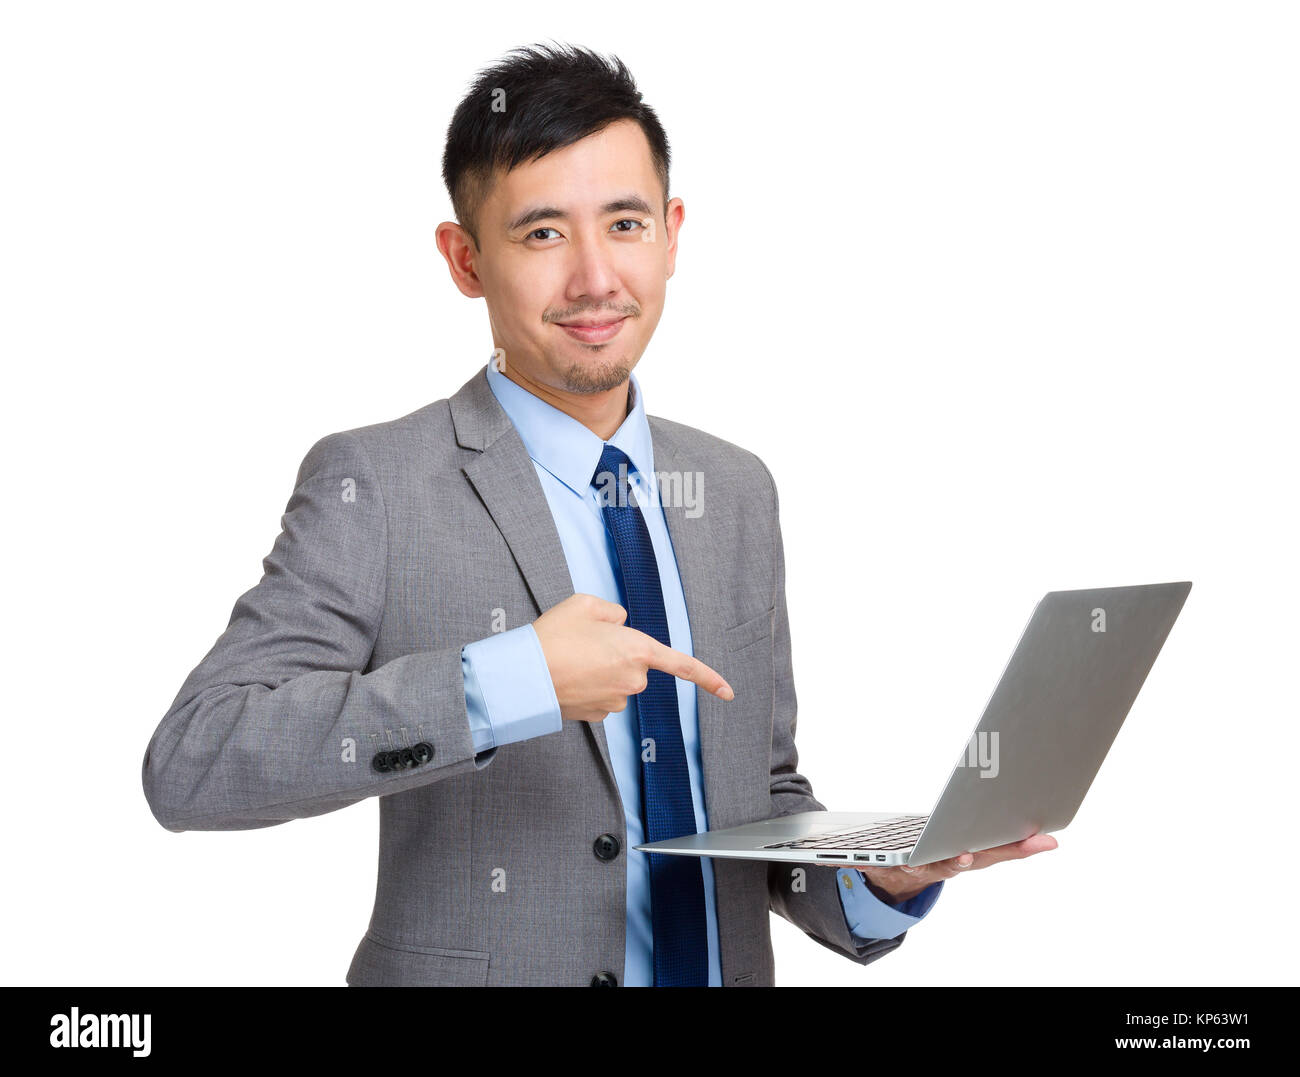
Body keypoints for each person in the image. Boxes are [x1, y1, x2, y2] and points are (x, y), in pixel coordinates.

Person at [142, 42, 1055, 987]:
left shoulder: (736, 490)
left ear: (672, 233)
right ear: (465, 258)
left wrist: (878, 879)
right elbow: (194, 761)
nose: (593, 278)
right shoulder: (377, 485)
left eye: (624, 222)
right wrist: (507, 680)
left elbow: (756, 798)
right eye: (541, 233)